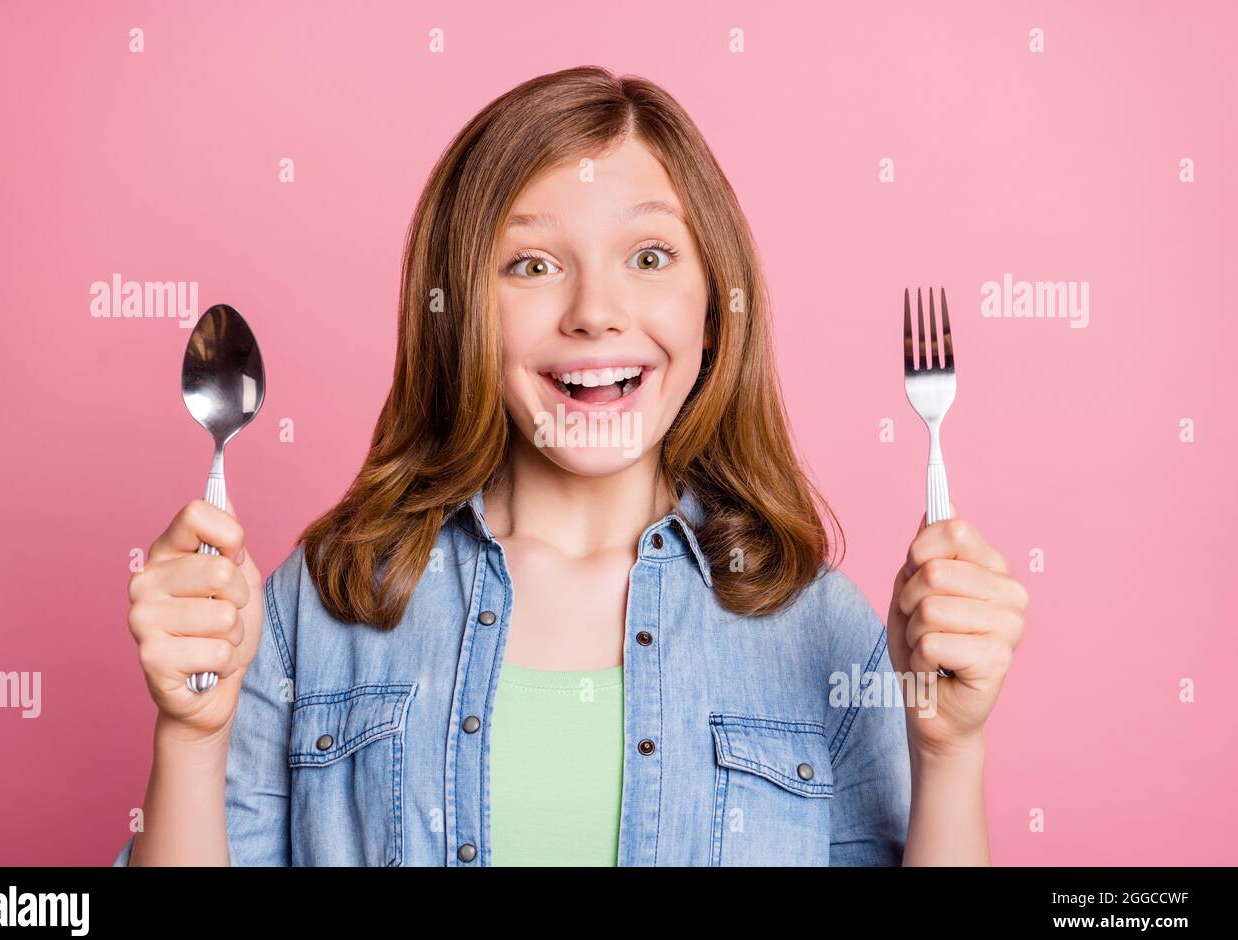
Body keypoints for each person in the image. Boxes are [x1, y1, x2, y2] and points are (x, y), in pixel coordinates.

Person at [115, 66, 1027, 867]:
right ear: (459, 309)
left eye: (650, 256)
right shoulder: (322, 608)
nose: (596, 311)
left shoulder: (819, 628)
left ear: (714, 308)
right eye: (534, 263)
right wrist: (191, 737)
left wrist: (949, 756)